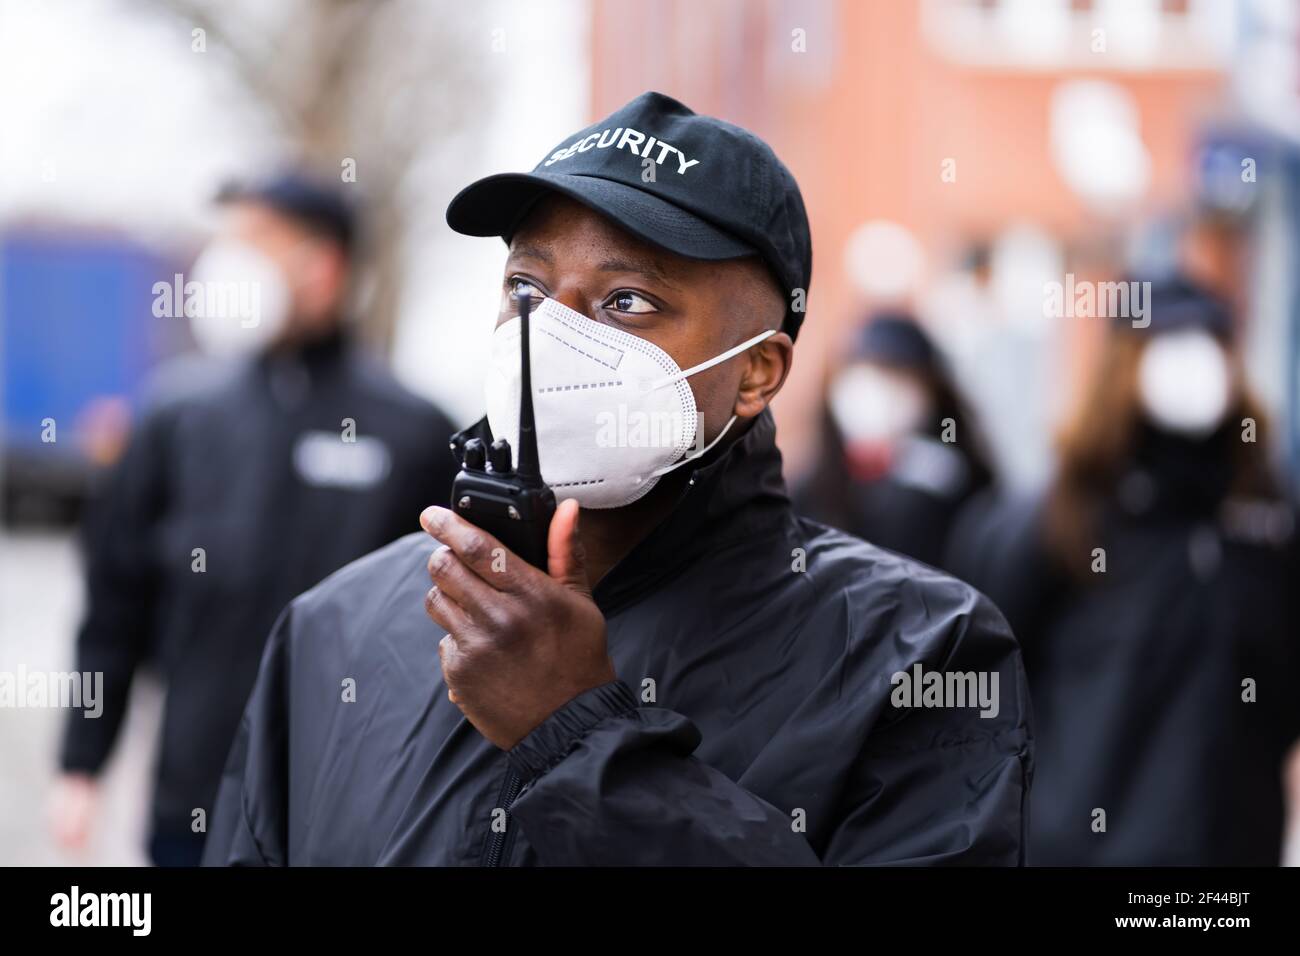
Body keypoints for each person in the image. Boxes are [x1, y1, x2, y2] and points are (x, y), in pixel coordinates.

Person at [203, 92, 1032, 866]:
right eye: (525, 286)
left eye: (627, 301)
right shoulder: (337, 629)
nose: (548, 333)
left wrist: (576, 737)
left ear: (756, 372)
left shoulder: (917, 652)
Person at [50, 171, 460, 866]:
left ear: (323, 267)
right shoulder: (177, 418)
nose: (228, 263)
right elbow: (115, 604)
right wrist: (80, 764)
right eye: (227, 240)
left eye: (255, 241)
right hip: (195, 802)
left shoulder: (413, 432)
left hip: (353, 808)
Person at [949, 275, 1300, 865]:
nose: (1194, 365)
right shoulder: (1051, 523)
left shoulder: (1268, 522)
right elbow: (977, 703)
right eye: (1170, 342)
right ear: (1124, 364)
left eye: (1209, 341)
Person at [794, 312, 994, 570]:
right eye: (862, 374)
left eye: (898, 377)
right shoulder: (809, 491)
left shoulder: (960, 481)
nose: (878, 396)